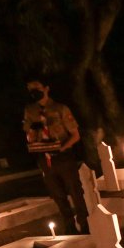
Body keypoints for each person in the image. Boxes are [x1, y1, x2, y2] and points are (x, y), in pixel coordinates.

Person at [23, 77, 88, 234]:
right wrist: (32, 132)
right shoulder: (30, 111)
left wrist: (62, 148)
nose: (34, 92)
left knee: (74, 191)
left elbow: (75, 135)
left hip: (63, 156)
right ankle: (69, 226)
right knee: (57, 194)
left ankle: (85, 224)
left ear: (46, 88)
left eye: (37, 87)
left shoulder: (60, 108)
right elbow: (29, 136)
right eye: (30, 89)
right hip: (44, 158)